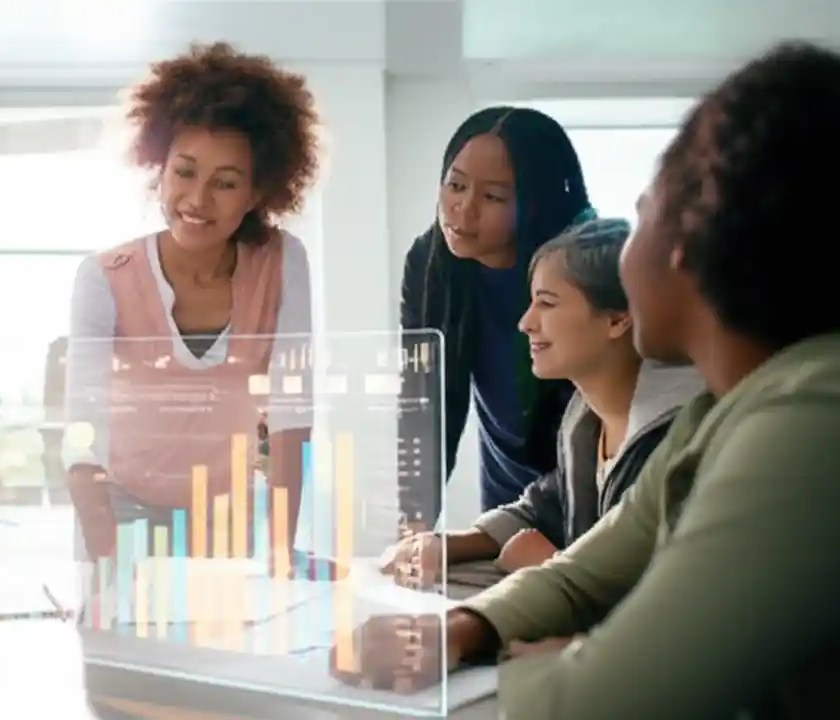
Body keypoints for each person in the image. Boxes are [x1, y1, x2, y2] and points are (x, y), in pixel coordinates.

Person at [337, 41, 840, 719]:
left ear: (687, 244)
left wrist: (534, 662)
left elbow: (613, 693)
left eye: (641, 213)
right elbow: (584, 571)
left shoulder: (809, 422)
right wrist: (467, 627)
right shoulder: (720, 416)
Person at [64, 41, 318, 561]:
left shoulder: (281, 261)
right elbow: (82, 426)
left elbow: (293, 413)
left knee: (238, 639)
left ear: (257, 194)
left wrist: (279, 550)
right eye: (184, 172)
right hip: (120, 506)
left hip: (232, 513)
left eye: (225, 183)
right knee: (122, 639)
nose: (198, 200)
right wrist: (106, 554)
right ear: (158, 167)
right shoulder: (104, 277)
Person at [382, 218, 702, 583]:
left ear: (617, 320)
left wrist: (548, 564)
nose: (525, 323)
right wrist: (444, 544)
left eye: (546, 304)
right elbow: (543, 509)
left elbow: (656, 593)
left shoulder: (679, 436)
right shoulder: (584, 420)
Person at [398, 107, 593, 528]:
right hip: (505, 503)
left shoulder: (580, 270)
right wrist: (412, 524)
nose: (463, 210)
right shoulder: (430, 262)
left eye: (493, 197)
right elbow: (424, 403)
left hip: (588, 502)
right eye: (455, 185)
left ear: (535, 202)